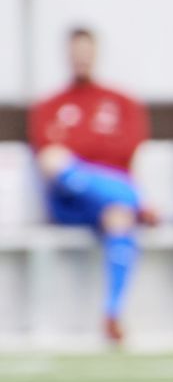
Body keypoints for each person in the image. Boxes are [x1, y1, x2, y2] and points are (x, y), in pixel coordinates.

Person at [30, 28, 150, 344]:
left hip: (107, 204)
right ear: (67, 55)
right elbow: (47, 156)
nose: (81, 57)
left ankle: (113, 313)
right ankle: (138, 201)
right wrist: (92, 157)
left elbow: (126, 150)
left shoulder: (121, 102)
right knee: (54, 159)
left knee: (120, 217)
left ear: (96, 53)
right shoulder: (49, 106)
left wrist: (82, 157)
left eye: (86, 51)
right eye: (75, 51)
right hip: (68, 201)